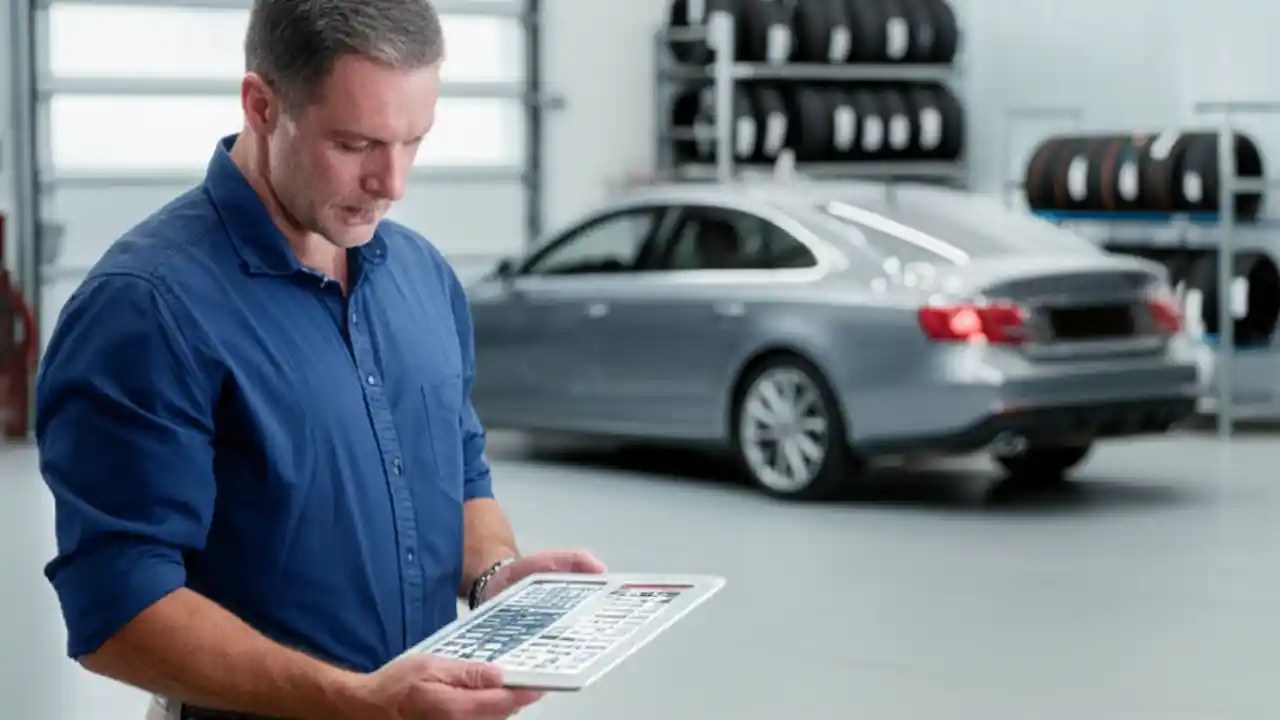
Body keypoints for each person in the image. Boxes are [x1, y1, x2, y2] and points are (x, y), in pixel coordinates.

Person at [34, 1, 606, 718]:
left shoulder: (423, 277)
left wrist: (495, 578)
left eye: (413, 142)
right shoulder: (146, 309)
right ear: (261, 105)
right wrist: (357, 701)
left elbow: (458, 472)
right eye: (356, 144)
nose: (392, 183)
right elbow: (117, 608)